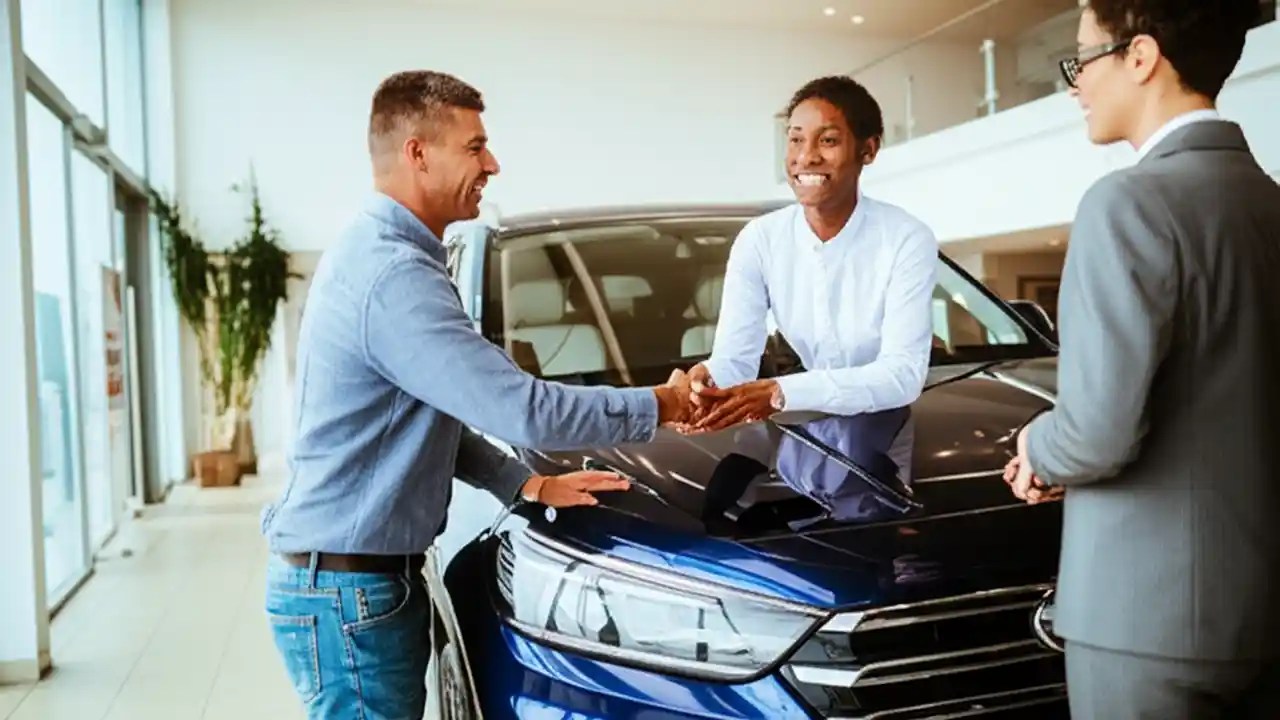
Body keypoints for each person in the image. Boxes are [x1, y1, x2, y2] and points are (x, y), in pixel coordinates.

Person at [259, 70, 694, 719]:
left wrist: (523, 484)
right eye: (474, 147)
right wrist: (664, 404)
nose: (492, 163)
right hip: (349, 593)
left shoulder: (385, 256)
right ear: (417, 152)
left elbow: (427, 416)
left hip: (352, 583)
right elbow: (521, 409)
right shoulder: (394, 276)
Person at [1003, 2, 1280, 717]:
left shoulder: (1125, 203)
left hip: (1146, 621)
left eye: (1081, 59)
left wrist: (1039, 446)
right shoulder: (1269, 203)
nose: (1074, 85)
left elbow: (1096, 434)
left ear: (1141, 56)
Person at [685, 76, 938, 429]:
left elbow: (902, 375)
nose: (806, 157)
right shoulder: (759, 240)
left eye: (829, 140)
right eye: (795, 139)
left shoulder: (906, 238)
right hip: (803, 434)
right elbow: (734, 362)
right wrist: (706, 381)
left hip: (893, 435)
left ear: (868, 149)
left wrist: (780, 392)